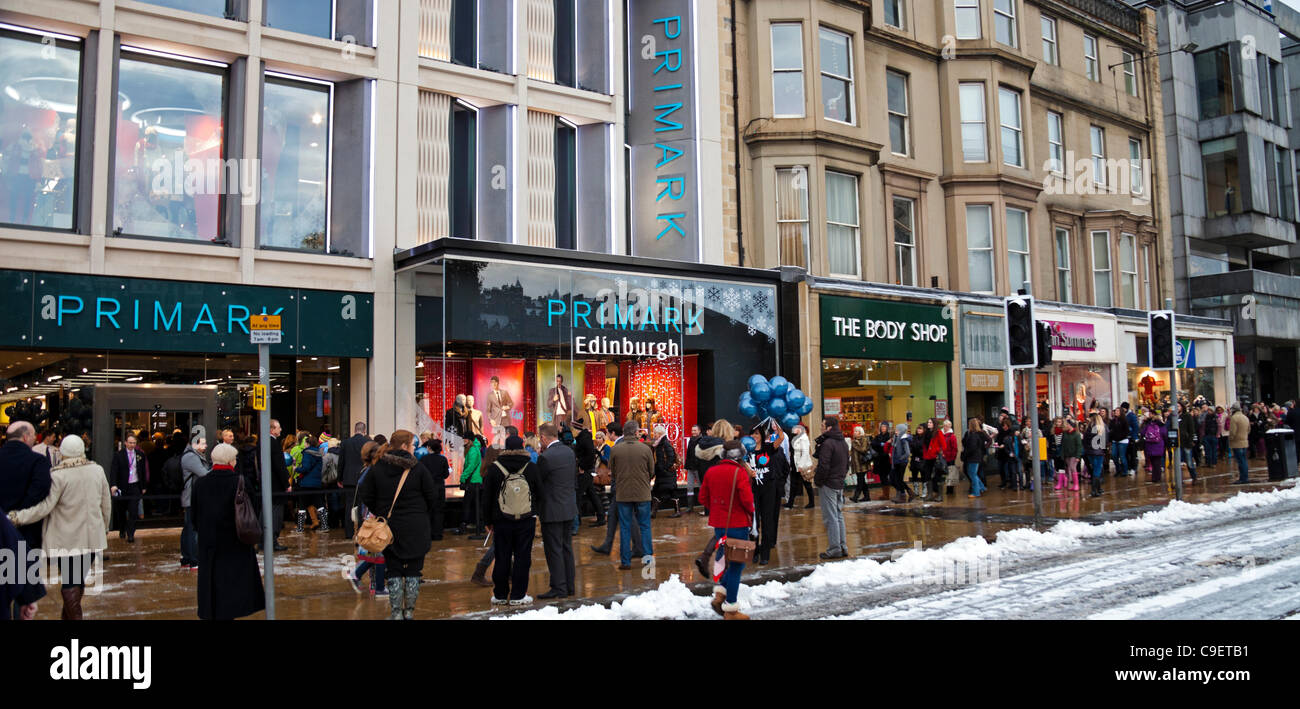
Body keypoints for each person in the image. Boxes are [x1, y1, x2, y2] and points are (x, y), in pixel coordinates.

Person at [6, 435, 110, 620]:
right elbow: (105, 503)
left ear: (62, 452)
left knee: (71, 582)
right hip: (91, 536)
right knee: (77, 581)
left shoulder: (58, 475)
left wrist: (17, 517)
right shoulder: (97, 470)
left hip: (66, 539)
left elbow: (44, 507)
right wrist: (104, 527)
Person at [359, 430, 438, 620]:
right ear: (404, 446)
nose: (413, 449)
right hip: (416, 526)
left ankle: (396, 613)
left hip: (389, 526)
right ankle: (409, 612)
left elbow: (366, 492)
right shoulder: (418, 469)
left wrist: (381, 511)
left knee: (393, 569)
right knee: (414, 570)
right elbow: (432, 496)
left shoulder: (378, 468)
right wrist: (421, 512)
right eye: (411, 445)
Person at [192, 444, 265, 620]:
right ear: (231, 461)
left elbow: (194, 516)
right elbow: (253, 509)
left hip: (210, 544)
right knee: (234, 587)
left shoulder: (200, 483)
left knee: (212, 586)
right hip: (236, 542)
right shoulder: (240, 482)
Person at [481, 435, 542, 605]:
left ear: (505, 448)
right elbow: (540, 492)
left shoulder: (495, 468)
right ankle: (518, 595)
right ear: (522, 447)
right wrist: (535, 512)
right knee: (523, 557)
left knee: (502, 556)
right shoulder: (531, 467)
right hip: (526, 519)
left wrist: (488, 521)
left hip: (501, 520)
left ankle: (500, 595)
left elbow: (486, 497)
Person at [699, 439, 755, 620]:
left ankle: (720, 595)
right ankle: (731, 610)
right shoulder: (739, 473)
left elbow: (702, 498)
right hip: (738, 524)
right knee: (736, 565)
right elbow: (747, 501)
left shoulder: (711, 471)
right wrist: (752, 515)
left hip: (719, 525)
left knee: (726, 562)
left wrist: (716, 509)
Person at [0, 422, 52, 620]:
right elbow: (41, 490)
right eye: (33, 436)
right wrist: (20, 514)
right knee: (21, 577)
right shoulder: (37, 462)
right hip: (27, 530)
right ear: (25, 437)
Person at [534, 422, 578, 599]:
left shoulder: (546, 457)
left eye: (540, 438)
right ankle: (569, 586)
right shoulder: (569, 452)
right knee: (567, 547)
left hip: (552, 510)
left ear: (544, 438)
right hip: (568, 508)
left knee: (554, 550)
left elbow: (538, 484)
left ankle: (558, 587)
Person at [609, 420, 656, 571]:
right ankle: (648, 559)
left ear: (624, 432)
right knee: (645, 526)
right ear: (636, 432)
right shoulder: (645, 449)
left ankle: (625, 561)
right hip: (642, 493)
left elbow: (613, 472)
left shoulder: (616, 449)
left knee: (625, 527)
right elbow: (652, 471)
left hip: (623, 493)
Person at [348, 441, 386, 597]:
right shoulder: (372, 471)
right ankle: (375, 585)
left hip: (368, 515)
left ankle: (371, 583)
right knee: (379, 551)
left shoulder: (365, 470)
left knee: (376, 552)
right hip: (373, 515)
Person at [749, 424, 788, 565]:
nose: (754, 436)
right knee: (754, 523)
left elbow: (781, 437)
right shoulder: (747, 450)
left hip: (768, 489)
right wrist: (748, 471)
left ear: (762, 436)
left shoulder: (768, 448)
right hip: (753, 490)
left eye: (757, 434)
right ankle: (754, 551)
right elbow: (742, 465)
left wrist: (777, 424)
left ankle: (765, 553)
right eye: (752, 434)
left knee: (767, 520)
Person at [813, 416, 850, 559]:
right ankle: (842, 546)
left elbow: (824, 466)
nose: (821, 427)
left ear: (829, 427)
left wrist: (818, 481)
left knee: (831, 517)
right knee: (838, 515)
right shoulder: (842, 442)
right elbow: (847, 463)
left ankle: (835, 548)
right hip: (839, 482)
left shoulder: (828, 443)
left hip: (829, 483)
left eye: (823, 425)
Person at [108, 433, 147, 543]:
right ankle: (122, 529)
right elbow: (114, 471)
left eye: (134, 443)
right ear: (125, 443)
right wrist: (113, 485)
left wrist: (143, 486)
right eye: (130, 443)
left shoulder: (140, 455)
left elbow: (143, 471)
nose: (132, 445)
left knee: (133, 511)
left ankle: (131, 534)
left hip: (135, 486)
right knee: (121, 510)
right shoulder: (118, 455)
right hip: (122, 486)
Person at [179, 435, 210, 568]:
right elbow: (204, 474)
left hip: (191, 496)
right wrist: (218, 468)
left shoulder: (192, 455)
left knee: (188, 527)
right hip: (191, 496)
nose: (206, 445)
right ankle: (193, 559)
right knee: (192, 528)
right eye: (203, 443)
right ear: (194, 444)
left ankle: (186, 557)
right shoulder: (191, 457)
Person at [339, 422, 371, 538]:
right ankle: (361, 532)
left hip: (348, 478)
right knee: (362, 505)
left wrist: (340, 478)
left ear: (354, 430)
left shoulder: (345, 443)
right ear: (364, 431)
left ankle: (349, 532)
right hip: (364, 477)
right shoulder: (367, 443)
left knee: (349, 505)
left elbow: (341, 462)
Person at [571, 417, 604, 529]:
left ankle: (577, 521)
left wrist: (582, 467)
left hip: (585, 471)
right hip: (587, 470)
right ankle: (601, 517)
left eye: (572, 429)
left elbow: (590, 454)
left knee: (578, 495)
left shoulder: (584, 438)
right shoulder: (583, 437)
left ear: (576, 429)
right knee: (591, 493)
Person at [264, 420, 290, 551]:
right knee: (276, 513)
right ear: (272, 429)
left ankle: (266, 540)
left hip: (268, 483)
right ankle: (272, 540)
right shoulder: (274, 444)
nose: (280, 430)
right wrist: (286, 483)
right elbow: (280, 465)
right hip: (276, 485)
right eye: (278, 428)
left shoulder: (264, 442)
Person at [294, 433, 325, 531]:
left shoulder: (307, 453)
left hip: (306, 483)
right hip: (316, 483)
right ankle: (324, 525)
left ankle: (300, 527)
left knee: (302, 504)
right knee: (319, 504)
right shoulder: (319, 454)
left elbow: (306, 468)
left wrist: (296, 469)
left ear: (308, 444)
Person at [420, 439, 449, 541]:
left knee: (428, 511)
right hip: (440, 487)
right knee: (439, 511)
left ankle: (428, 533)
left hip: (427, 488)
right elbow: (446, 474)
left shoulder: (423, 459)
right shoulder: (443, 459)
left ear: (429, 448)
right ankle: (438, 533)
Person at [650, 424, 679, 517]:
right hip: (663, 474)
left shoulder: (664, 444)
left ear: (659, 434)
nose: (653, 434)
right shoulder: (660, 443)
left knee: (667, 492)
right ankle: (653, 512)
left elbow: (671, 457)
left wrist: (663, 469)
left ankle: (653, 512)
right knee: (661, 491)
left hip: (666, 474)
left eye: (655, 433)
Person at [459, 435, 485, 539]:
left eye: (465, 438)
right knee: (475, 504)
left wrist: (463, 477)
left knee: (468, 503)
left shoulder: (473, 450)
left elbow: (471, 466)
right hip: (475, 480)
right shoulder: (473, 449)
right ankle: (479, 525)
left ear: (469, 440)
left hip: (473, 481)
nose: (463, 440)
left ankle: (464, 525)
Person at [786, 424, 816, 509]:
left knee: (807, 483)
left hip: (802, 465)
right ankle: (790, 503)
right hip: (796, 464)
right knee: (794, 484)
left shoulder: (804, 439)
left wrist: (801, 465)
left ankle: (811, 502)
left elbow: (806, 453)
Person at [960, 419, 989, 498]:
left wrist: (965, 454)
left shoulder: (973, 435)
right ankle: (982, 487)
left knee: (972, 474)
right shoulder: (975, 434)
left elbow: (971, 448)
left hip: (973, 457)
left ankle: (976, 492)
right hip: (976, 457)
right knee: (973, 473)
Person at [889, 423, 916, 502]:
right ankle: (909, 492)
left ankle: (902, 496)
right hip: (896, 462)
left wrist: (900, 458)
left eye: (897, 430)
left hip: (901, 462)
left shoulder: (903, 439)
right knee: (894, 479)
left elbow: (907, 452)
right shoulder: (896, 438)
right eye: (896, 429)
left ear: (901, 431)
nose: (896, 431)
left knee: (898, 479)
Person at [1085, 414, 1108, 498]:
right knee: (1097, 471)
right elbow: (1105, 441)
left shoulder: (1088, 428)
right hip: (1099, 452)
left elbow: (1085, 441)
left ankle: (1097, 489)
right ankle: (1095, 490)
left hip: (1090, 452)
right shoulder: (1102, 428)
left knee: (1095, 470)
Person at [1141, 411, 1167, 484]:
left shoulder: (1149, 425)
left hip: (1149, 445)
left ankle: (1154, 477)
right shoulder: (1161, 425)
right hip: (1159, 445)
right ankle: (1157, 477)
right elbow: (1165, 434)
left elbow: (1143, 433)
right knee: (1157, 462)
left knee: (1153, 462)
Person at [1229, 404, 1251, 485]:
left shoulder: (1234, 418)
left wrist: (1230, 439)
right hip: (1244, 441)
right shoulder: (1245, 417)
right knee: (1244, 460)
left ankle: (1243, 478)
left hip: (1237, 442)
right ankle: (1245, 477)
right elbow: (1249, 430)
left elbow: (1232, 432)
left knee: (1240, 461)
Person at [849, 426, 872, 502]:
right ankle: (867, 496)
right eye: (854, 431)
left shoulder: (864, 439)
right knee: (862, 481)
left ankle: (856, 496)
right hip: (857, 464)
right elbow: (852, 452)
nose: (854, 433)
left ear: (860, 433)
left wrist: (855, 444)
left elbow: (863, 449)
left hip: (862, 464)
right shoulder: (855, 441)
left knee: (860, 480)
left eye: (856, 431)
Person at [1177, 404, 1198, 483]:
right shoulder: (1173, 416)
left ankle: (1194, 477)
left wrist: (1190, 440)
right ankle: (1179, 480)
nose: (1177, 407)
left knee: (1189, 462)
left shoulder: (1187, 416)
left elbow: (1192, 429)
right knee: (1178, 463)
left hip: (1186, 442)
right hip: (1177, 443)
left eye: (1178, 406)